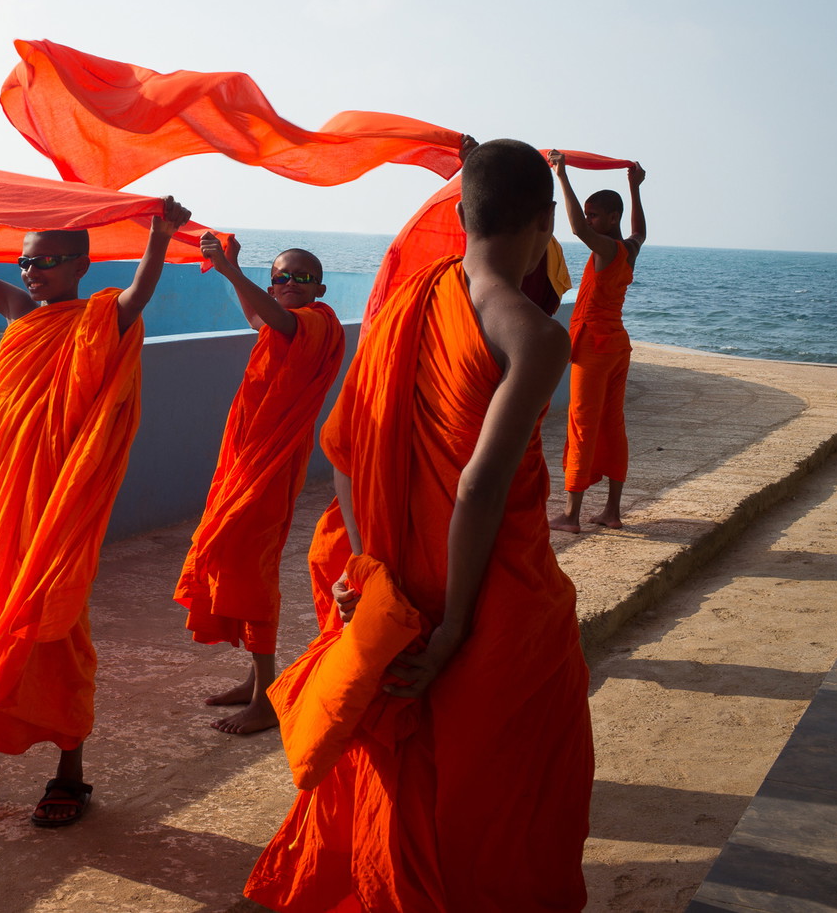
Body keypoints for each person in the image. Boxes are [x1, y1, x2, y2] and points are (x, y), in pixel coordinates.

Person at [245, 139, 594, 911]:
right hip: (491, 596)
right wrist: (453, 630)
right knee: (513, 787)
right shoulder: (536, 334)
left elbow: (342, 443)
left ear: (462, 214)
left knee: (408, 777)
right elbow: (480, 487)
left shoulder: (406, 304)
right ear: (546, 222)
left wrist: (371, 571)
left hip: (397, 588)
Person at [0, 194, 190, 832]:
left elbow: (140, 292)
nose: (33, 272)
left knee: (56, 631)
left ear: (81, 266)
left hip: (60, 506)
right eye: (27, 263)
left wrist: (160, 236)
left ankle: (70, 774)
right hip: (4, 501)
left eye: (49, 262)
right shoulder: (17, 311)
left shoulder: (102, 316)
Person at [174, 237, 344, 735]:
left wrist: (229, 269)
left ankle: (267, 698)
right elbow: (259, 318)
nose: (290, 283)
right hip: (247, 460)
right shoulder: (280, 324)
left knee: (253, 570)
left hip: (271, 467)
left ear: (320, 288)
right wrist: (232, 268)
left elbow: (276, 318)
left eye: (302, 277)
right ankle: (257, 683)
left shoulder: (314, 323)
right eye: (281, 277)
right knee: (243, 563)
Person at [548, 151, 648, 531]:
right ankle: (612, 511)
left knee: (582, 425)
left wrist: (562, 175)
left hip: (595, 347)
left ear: (612, 218)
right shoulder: (629, 250)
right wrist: (635, 188)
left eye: (594, 215)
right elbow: (640, 231)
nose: (589, 220)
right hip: (618, 347)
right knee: (612, 424)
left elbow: (577, 229)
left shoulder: (607, 250)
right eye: (588, 214)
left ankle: (571, 515)